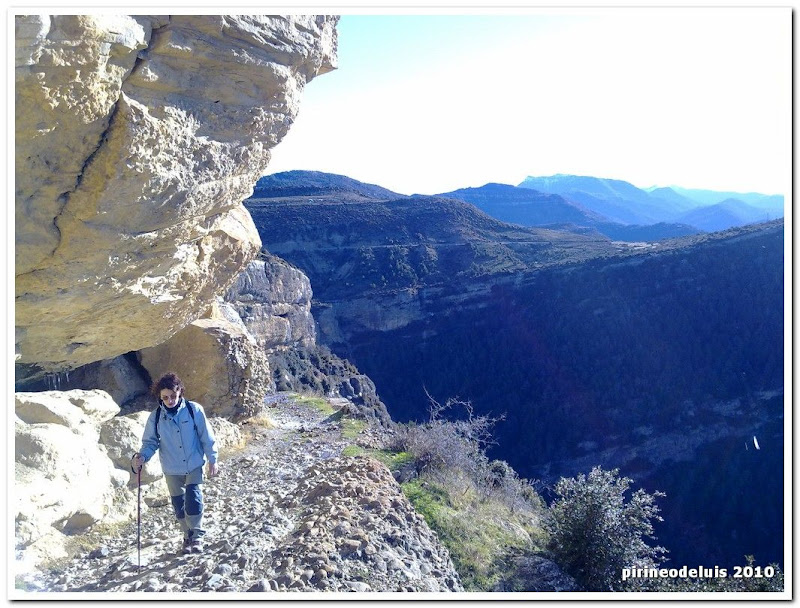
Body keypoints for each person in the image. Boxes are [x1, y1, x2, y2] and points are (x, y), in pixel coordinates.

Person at [132, 372, 218, 554]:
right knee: (179, 505)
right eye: (165, 398)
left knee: (193, 499)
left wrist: (212, 458)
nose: (170, 401)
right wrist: (142, 457)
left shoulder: (194, 410)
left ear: (180, 392)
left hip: (193, 463)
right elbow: (150, 443)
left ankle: (197, 537)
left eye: (173, 396)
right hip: (171, 468)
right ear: (160, 397)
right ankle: (187, 536)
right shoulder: (155, 418)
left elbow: (206, 436)